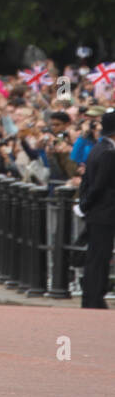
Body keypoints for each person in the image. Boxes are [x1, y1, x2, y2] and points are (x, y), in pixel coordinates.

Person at [75, 108, 115, 309]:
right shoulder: (108, 153)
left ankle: (93, 296)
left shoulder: (98, 149)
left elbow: (87, 181)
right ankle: (93, 298)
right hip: (103, 213)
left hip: (97, 212)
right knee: (99, 257)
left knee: (97, 256)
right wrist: (86, 204)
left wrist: (84, 204)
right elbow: (99, 185)